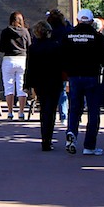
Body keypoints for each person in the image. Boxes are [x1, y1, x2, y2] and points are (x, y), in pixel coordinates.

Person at [62, 8, 104, 156]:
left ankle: (71, 132)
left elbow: (62, 57)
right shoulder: (97, 37)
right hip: (92, 76)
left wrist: (66, 75)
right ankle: (89, 146)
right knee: (93, 111)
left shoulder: (68, 36)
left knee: (74, 108)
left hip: (74, 77)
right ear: (91, 21)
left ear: (78, 20)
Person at [25, 20, 64, 151]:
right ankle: (48, 139)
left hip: (39, 82)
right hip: (54, 81)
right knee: (51, 110)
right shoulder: (56, 46)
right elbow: (61, 65)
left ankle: (44, 139)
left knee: (43, 109)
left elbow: (30, 67)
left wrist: (27, 84)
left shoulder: (33, 47)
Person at [0, 11, 31, 120]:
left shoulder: (5, 31)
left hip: (9, 59)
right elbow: (29, 46)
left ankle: (10, 112)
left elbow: (1, 48)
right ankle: (21, 112)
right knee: (21, 86)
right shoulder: (25, 31)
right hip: (22, 59)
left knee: (9, 87)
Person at [46, 9, 73, 122]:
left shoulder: (51, 32)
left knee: (60, 90)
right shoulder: (68, 29)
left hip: (55, 63)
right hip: (69, 61)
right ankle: (72, 114)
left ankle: (62, 115)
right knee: (71, 89)